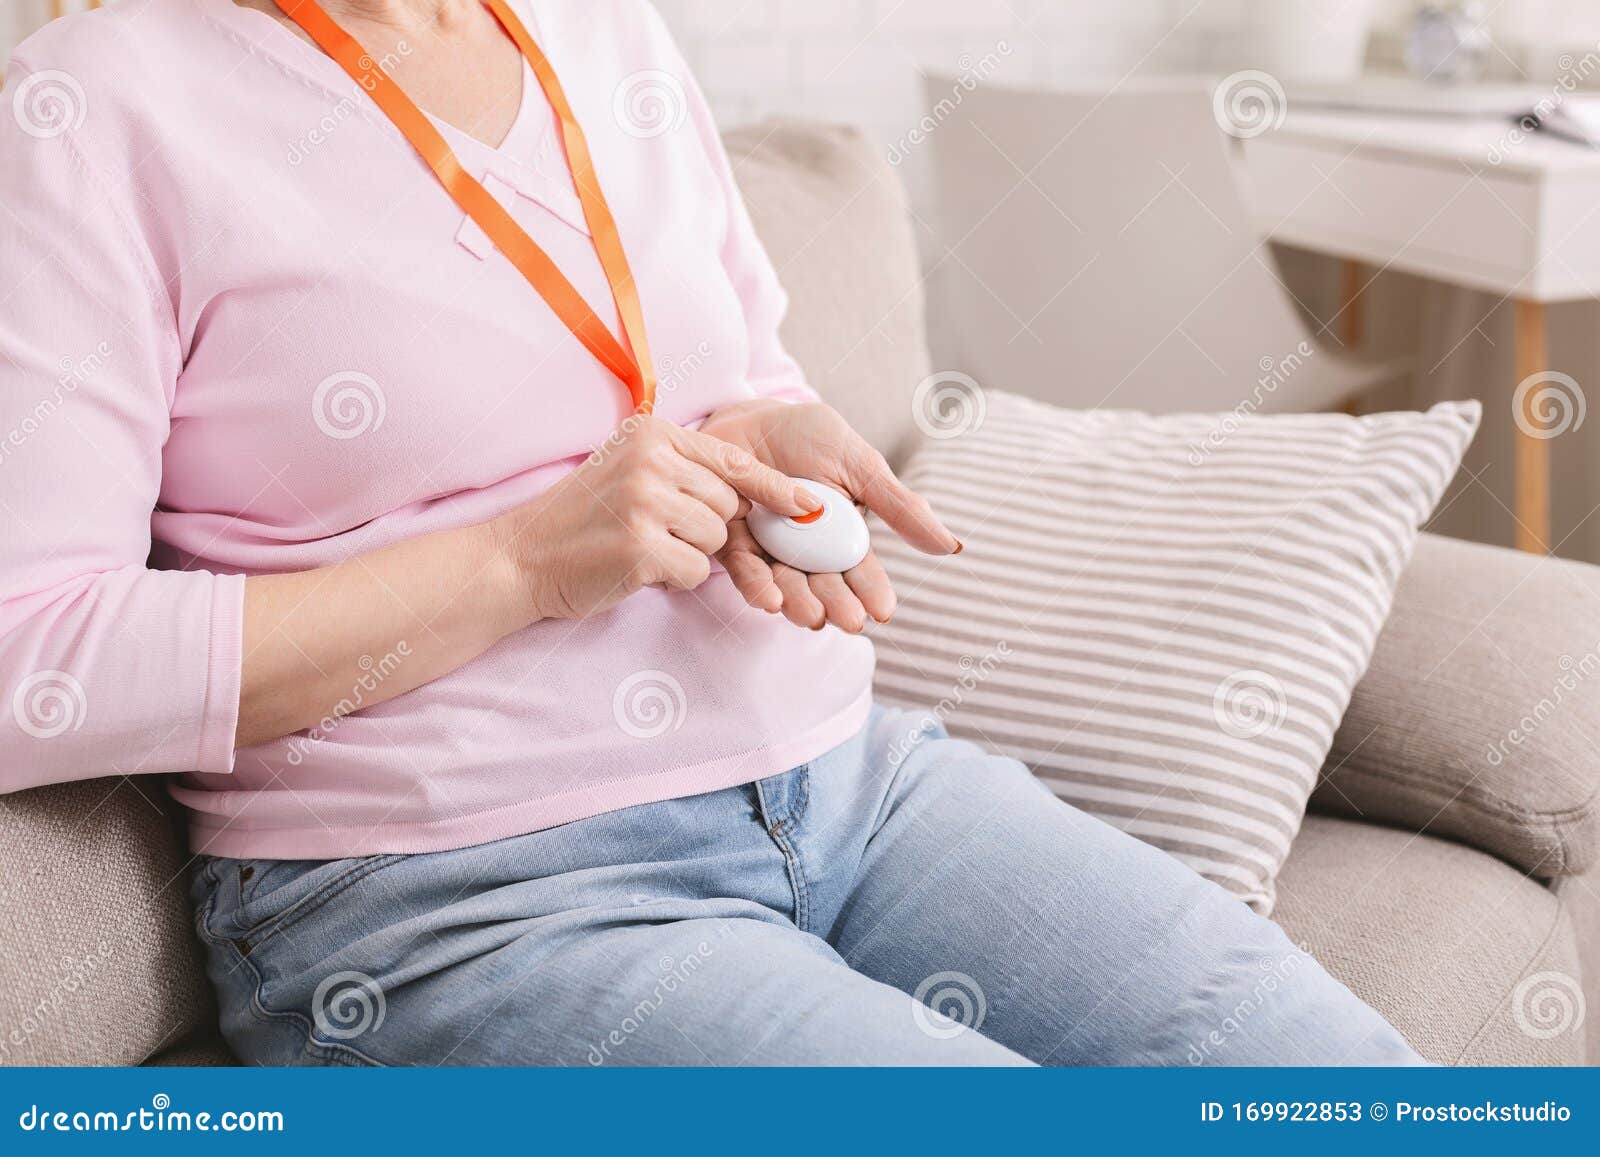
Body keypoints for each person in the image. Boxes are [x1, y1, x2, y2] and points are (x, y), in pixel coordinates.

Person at [0, 0, 1423, 1065]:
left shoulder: (601, 28)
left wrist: (763, 436)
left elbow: (737, 366)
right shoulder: (93, 107)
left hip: (850, 787)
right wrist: (518, 564)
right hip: (470, 898)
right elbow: (31, 661)